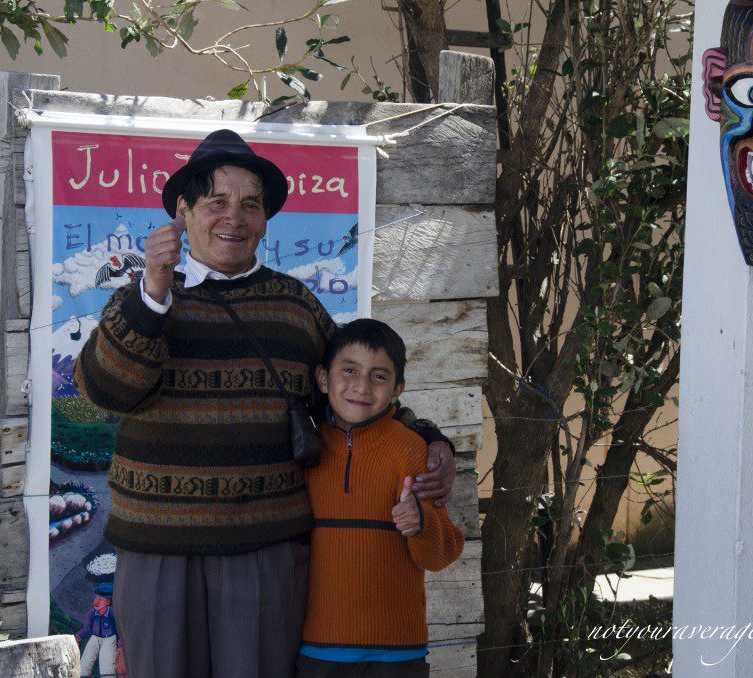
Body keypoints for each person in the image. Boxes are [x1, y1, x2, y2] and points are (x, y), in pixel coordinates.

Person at [73, 129, 456, 678]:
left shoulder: (295, 307)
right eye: (216, 202)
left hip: (265, 547)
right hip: (157, 548)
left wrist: (430, 439)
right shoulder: (143, 300)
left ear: (266, 219)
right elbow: (106, 390)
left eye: (250, 205)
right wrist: (153, 291)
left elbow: (350, 396)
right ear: (183, 211)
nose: (234, 217)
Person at [297, 319, 464, 677]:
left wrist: (421, 524)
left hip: (397, 652)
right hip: (319, 646)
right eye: (349, 370)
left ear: (397, 389)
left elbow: (441, 556)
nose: (361, 386)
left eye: (379, 376)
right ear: (323, 378)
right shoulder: (307, 451)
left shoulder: (411, 451)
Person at [74, 583, 118, 678]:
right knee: (85, 662)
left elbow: (117, 629)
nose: (96, 602)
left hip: (109, 639)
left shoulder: (112, 614)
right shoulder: (91, 614)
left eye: (100, 599)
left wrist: (119, 643)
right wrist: (77, 637)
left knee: (107, 665)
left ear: (108, 601)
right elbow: (86, 629)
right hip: (95, 637)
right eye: (96, 598)